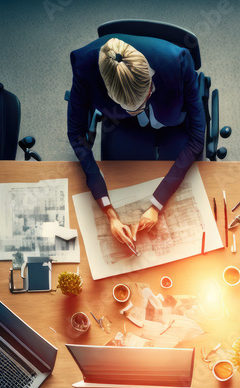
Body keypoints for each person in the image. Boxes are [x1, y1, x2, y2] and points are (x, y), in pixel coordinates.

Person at [67, 36, 206, 253]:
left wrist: (156, 204)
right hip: (125, 124)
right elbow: (76, 134)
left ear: (150, 76)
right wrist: (110, 212)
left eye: (145, 96)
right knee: (122, 176)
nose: (141, 107)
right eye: (133, 107)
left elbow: (198, 136)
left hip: (174, 118)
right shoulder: (83, 64)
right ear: (111, 95)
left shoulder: (178, 61)